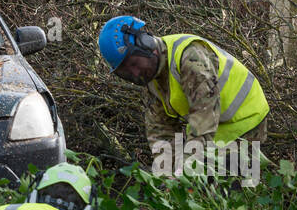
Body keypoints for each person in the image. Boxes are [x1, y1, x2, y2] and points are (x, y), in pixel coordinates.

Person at [98, 15, 269, 151]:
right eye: (126, 72)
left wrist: (189, 168)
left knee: (232, 187)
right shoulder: (151, 78)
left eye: (134, 63)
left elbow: (205, 115)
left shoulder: (190, 57)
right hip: (216, 130)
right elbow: (160, 130)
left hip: (246, 121)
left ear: (146, 44)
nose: (135, 74)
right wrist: (168, 176)